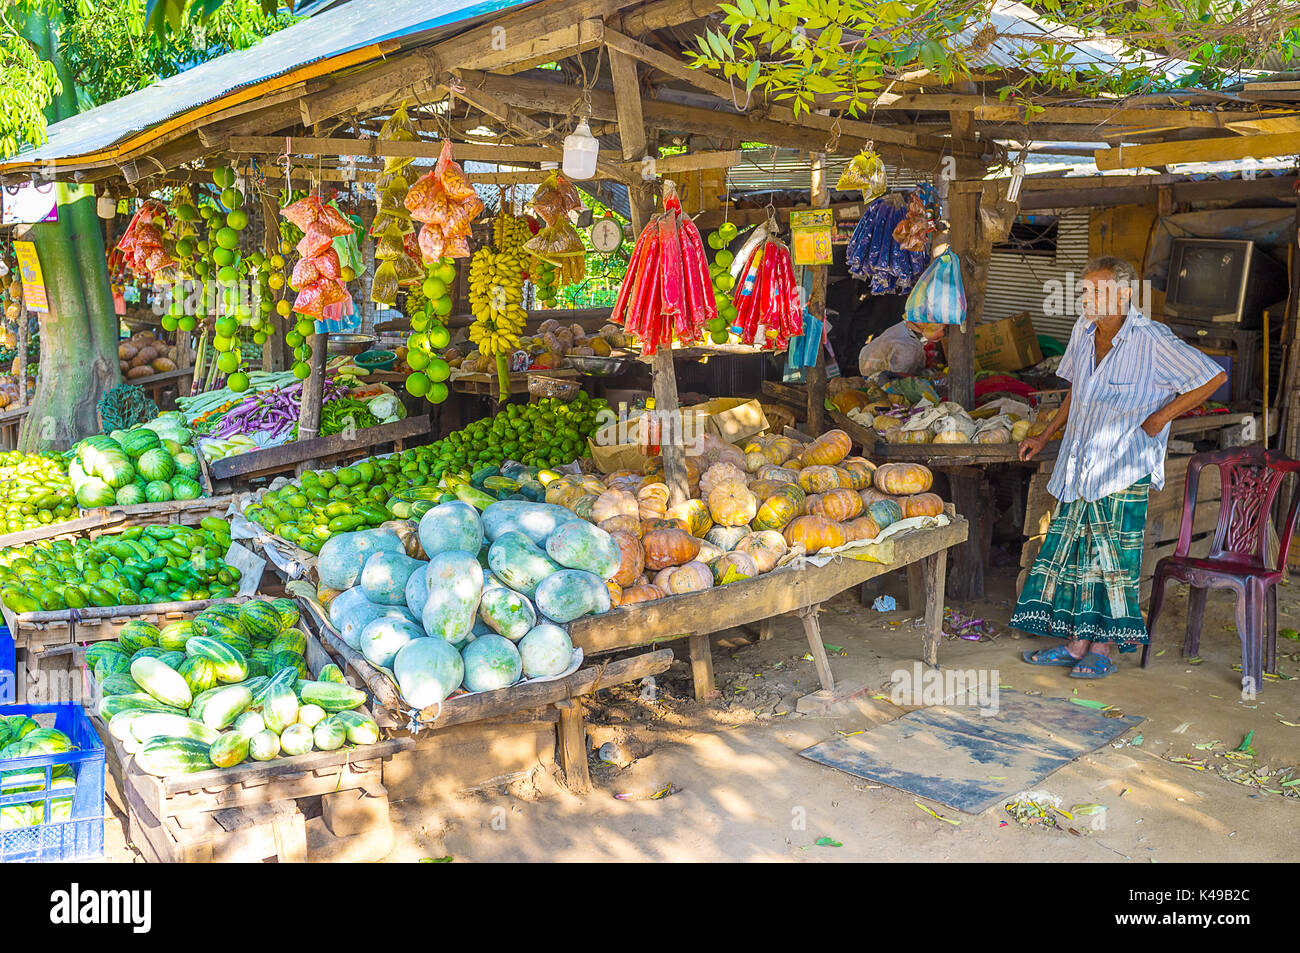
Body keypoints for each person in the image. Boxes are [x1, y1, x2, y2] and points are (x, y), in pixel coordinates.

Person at [1013, 256, 1227, 679]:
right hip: (1079, 467)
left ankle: (1104, 649)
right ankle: (1076, 643)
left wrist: (1162, 416)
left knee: (1111, 563)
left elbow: (1212, 377)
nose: (1087, 299)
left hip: (1123, 468)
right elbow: (1075, 390)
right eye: (1085, 290)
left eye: (1097, 291)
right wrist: (1045, 434)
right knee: (1075, 559)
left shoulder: (1152, 339)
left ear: (1125, 294)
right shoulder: (1082, 331)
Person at [857, 318, 947, 378]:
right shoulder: (908, 349)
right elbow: (899, 377)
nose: (942, 333)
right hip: (880, 377)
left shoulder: (903, 329)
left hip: (867, 365)